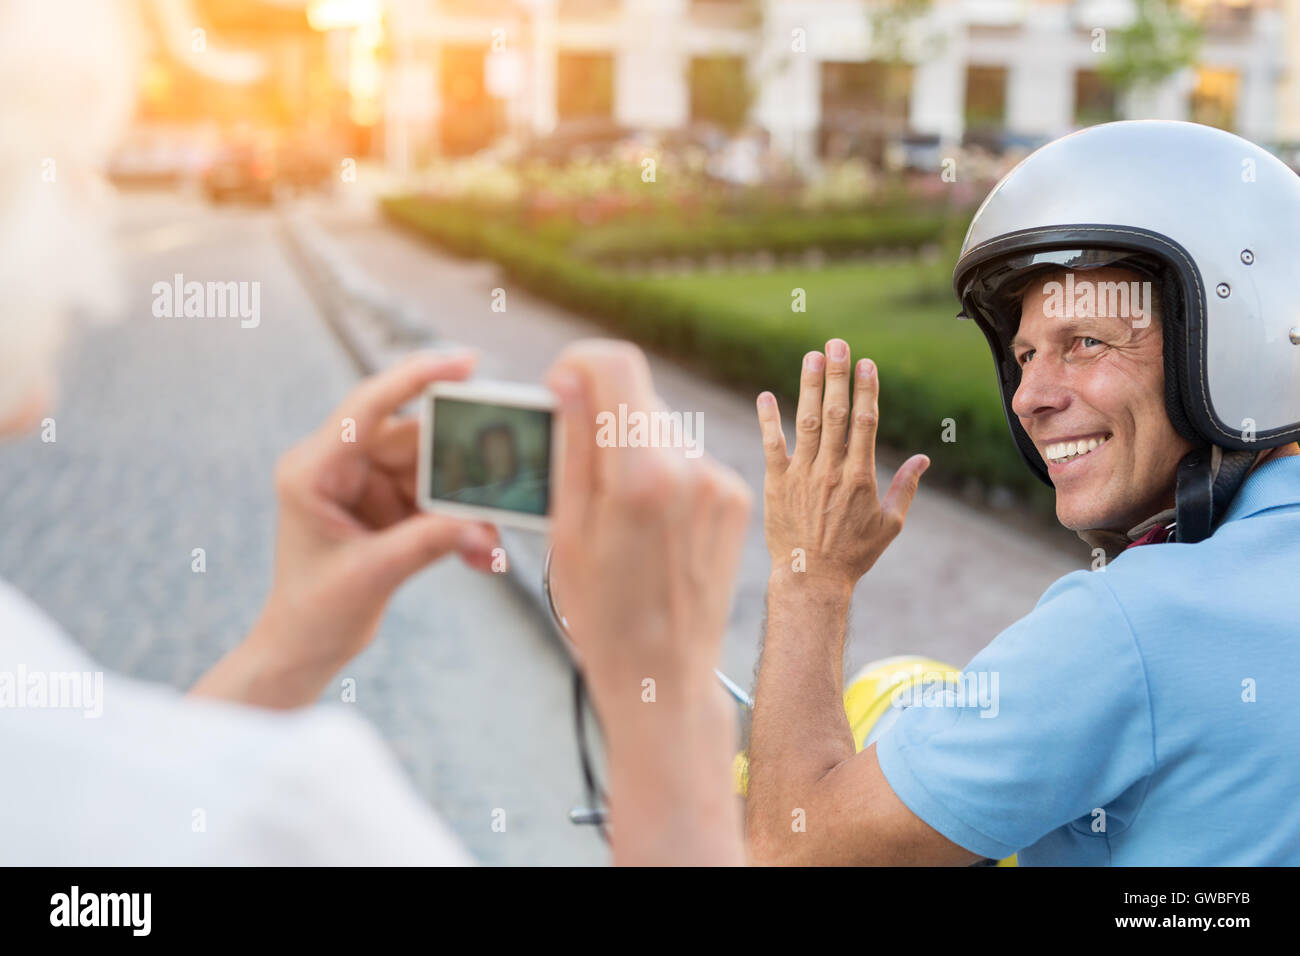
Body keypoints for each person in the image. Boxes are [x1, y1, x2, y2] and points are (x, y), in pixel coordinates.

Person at [2, 0, 751, 866]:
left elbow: (129, 820)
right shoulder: (298, 814)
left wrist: (292, 644)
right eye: (63, 162)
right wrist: (676, 708)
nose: (96, 199)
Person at [745, 120, 1300, 865]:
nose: (1028, 397)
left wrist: (812, 574)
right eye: (1026, 356)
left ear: (1229, 340)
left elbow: (790, 847)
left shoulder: (1131, 628)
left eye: (1087, 343)